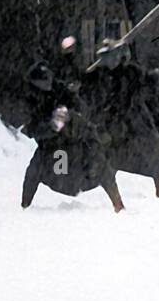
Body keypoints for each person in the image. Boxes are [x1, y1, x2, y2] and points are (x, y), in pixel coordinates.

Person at [20, 61, 124, 213]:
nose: (47, 85)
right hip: (52, 147)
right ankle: (24, 206)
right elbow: (32, 129)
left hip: (77, 142)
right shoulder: (31, 100)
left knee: (101, 165)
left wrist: (71, 112)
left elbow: (83, 113)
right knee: (34, 171)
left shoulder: (62, 90)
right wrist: (53, 125)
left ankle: (118, 204)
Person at [85, 41, 159, 197]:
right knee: (106, 154)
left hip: (135, 116)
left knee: (153, 146)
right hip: (111, 119)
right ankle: (112, 195)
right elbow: (91, 95)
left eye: (114, 58)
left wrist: (157, 80)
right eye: (109, 59)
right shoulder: (97, 76)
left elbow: (147, 81)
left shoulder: (131, 72)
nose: (113, 63)